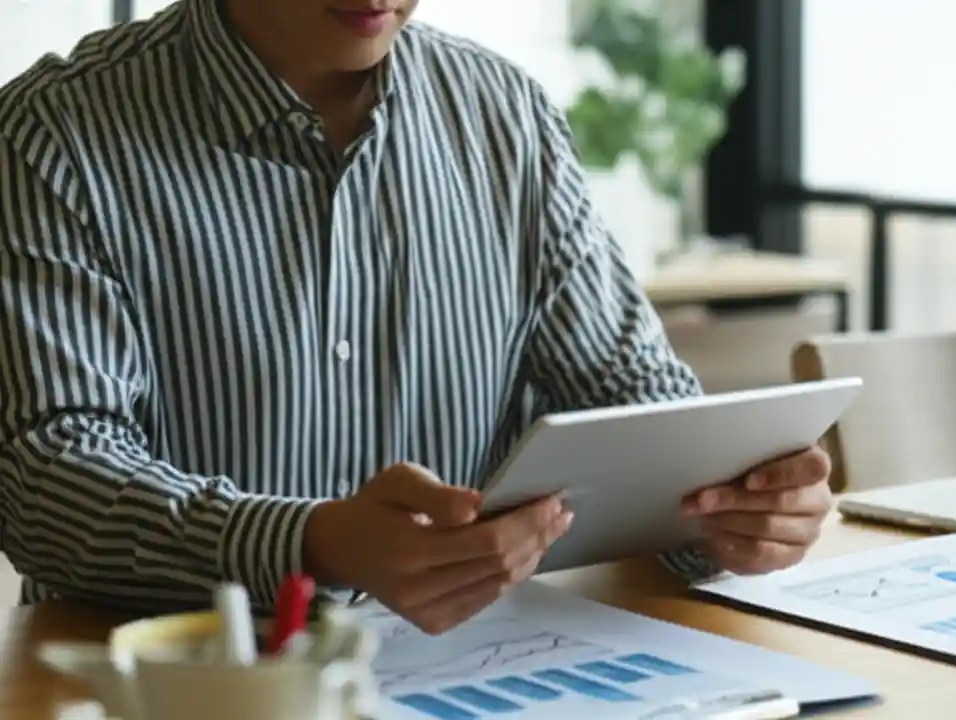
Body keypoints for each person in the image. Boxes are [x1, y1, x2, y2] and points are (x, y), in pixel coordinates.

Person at [0, 0, 833, 634]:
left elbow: (637, 404)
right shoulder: (56, 136)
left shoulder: (509, 122)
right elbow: (44, 483)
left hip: (481, 672)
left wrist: (729, 512)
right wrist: (307, 543)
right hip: (176, 686)